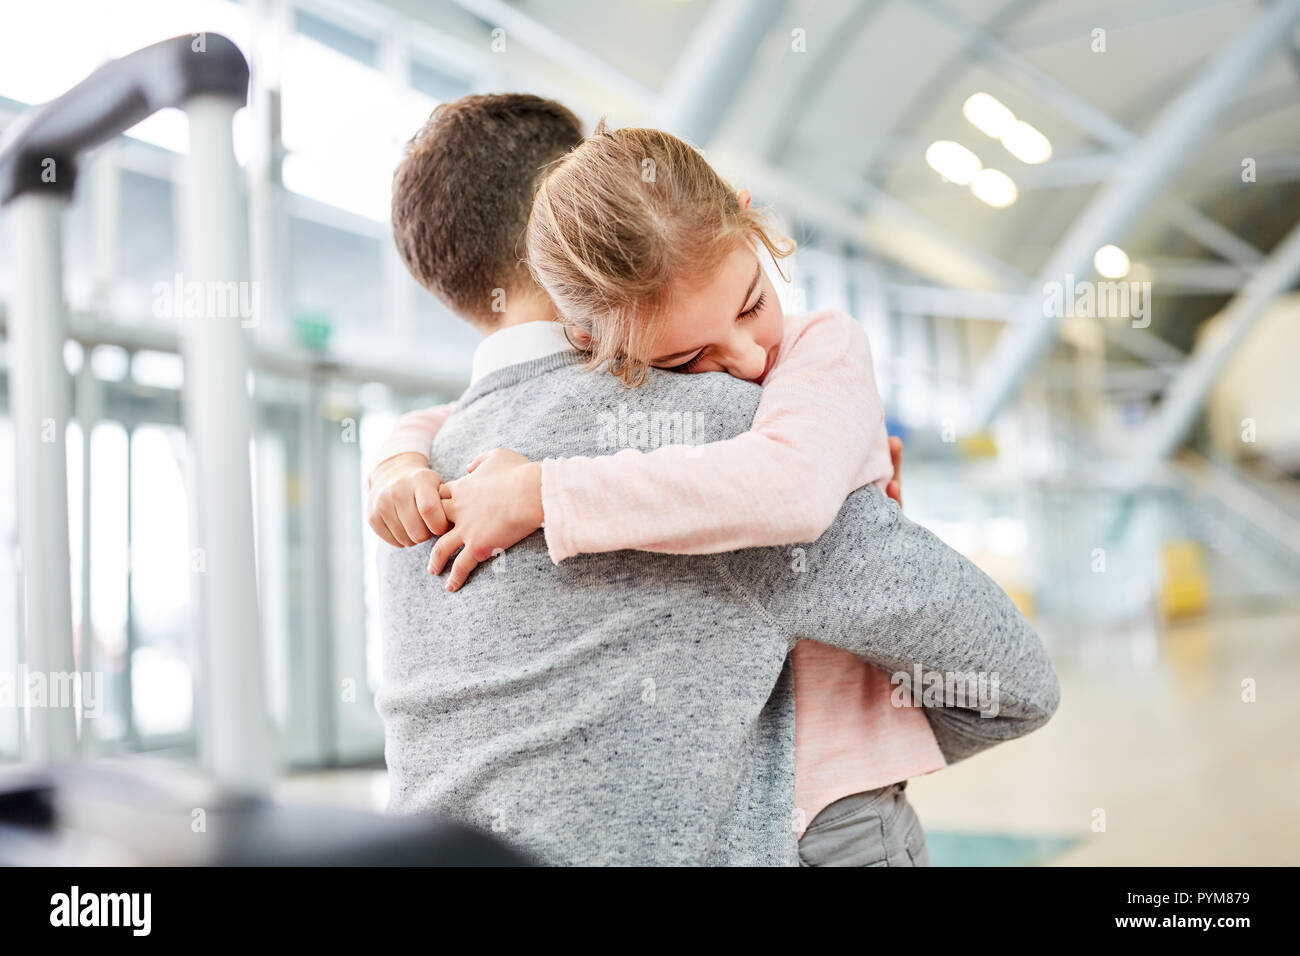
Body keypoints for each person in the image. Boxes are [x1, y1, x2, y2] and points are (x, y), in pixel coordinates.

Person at [372, 96, 1060, 865]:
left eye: (751, 306)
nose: (742, 359)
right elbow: (1011, 679)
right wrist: (861, 770)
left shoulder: (411, 500)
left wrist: (419, 460)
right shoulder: (726, 427)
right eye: (682, 358)